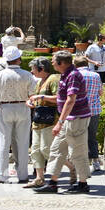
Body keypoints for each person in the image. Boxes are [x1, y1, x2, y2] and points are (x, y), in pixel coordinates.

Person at [35, 49, 91, 194]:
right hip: (68, 119)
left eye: (54, 60)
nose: (52, 62)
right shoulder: (65, 75)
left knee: (78, 151)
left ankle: (83, 183)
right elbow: (62, 98)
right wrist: (42, 98)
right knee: (56, 149)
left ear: (61, 63)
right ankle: (52, 182)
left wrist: (59, 122)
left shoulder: (72, 75)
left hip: (75, 119)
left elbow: (70, 100)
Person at [0, 47, 36, 184]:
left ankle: (2, 174)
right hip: (23, 107)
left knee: (3, 142)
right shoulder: (27, 75)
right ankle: (22, 175)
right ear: (18, 60)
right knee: (23, 142)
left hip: (5, 107)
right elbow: (32, 96)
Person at [25, 56, 60, 188]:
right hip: (38, 120)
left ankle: (70, 167)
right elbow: (35, 97)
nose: (32, 71)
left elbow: (59, 98)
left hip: (50, 120)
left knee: (46, 149)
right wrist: (31, 102)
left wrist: (41, 97)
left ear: (41, 68)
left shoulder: (54, 79)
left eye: (33, 69)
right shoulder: (40, 82)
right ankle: (39, 178)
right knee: (35, 150)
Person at [75, 54, 105, 173]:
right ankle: (96, 161)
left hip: (79, 111)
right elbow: (101, 92)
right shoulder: (96, 75)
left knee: (78, 137)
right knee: (92, 137)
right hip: (94, 110)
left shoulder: (75, 75)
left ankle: (81, 162)